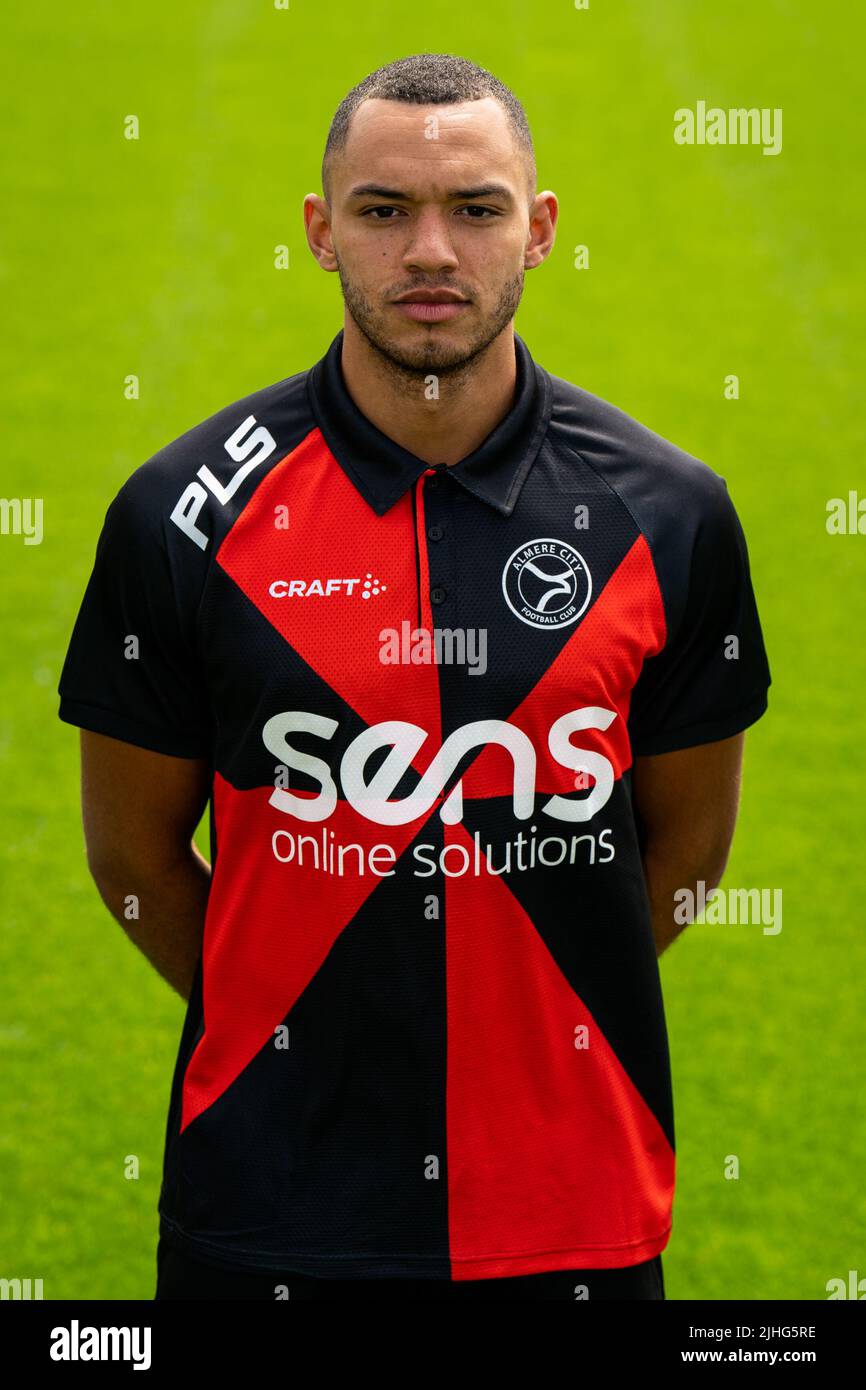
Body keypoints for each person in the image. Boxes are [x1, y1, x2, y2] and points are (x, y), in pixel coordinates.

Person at [57, 53, 771, 1301]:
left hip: (572, 1215)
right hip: (264, 1207)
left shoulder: (671, 515)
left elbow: (686, 852)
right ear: (321, 233)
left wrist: (524, 1008)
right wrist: (311, 1016)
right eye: (384, 211)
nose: (429, 251)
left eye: (475, 210)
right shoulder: (179, 516)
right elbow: (132, 861)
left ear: (538, 231)